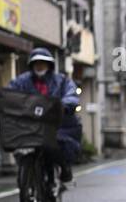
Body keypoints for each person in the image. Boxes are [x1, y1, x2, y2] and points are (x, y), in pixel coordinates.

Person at [5, 47, 81, 182]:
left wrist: (62, 105)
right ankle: (27, 177)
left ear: (49, 65)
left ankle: (64, 167)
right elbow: (9, 94)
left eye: (43, 63)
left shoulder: (61, 81)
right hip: (29, 125)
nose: (40, 66)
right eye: (36, 63)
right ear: (32, 65)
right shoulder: (21, 81)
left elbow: (71, 94)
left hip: (55, 124)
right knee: (20, 144)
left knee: (58, 145)